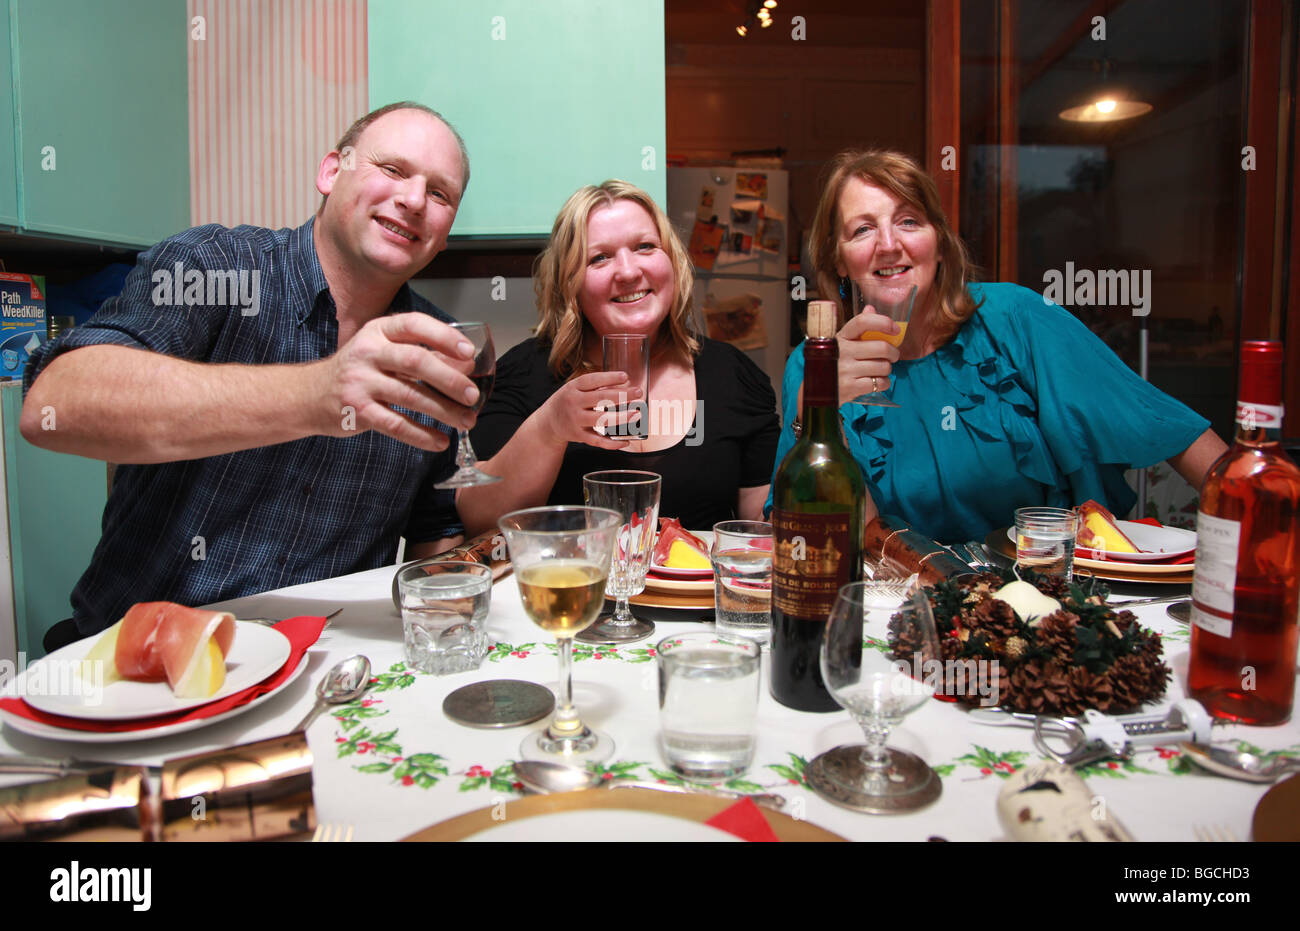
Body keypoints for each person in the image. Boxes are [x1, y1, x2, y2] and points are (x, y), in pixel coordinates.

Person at [22, 102, 483, 645]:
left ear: (446, 231)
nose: (412, 200)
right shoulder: (214, 266)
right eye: (393, 170)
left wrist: (453, 622)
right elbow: (53, 404)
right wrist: (317, 393)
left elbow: (433, 530)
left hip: (326, 669)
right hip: (145, 665)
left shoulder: (437, 344)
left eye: (439, 194)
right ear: (331, 172)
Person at [769, 149, 1226, 543]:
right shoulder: (814, 363)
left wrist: (1260, 538)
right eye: (863, 230)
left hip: (1044, 597)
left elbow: (1167, 426)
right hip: (901, 600)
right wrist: (820, 416)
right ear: (839, 260)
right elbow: (830, 538)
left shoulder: (1016, 318)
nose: (889, 245)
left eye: (909, 221)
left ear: (940, 246)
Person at [459, 180, 780, 534]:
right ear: (571, 284)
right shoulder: (523, 374)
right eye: (599, 257)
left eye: (645, 247)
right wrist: (549, 428)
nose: (628, 272)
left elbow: (758, 532)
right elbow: (479, 520)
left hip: (694, 588)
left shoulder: (733, 375)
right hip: (574, 588)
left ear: (671, 261)